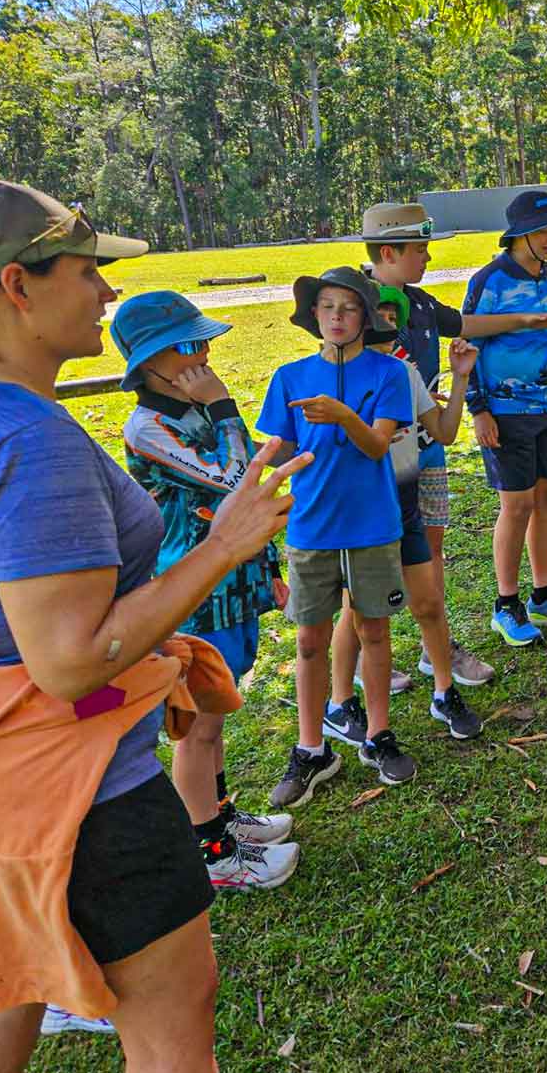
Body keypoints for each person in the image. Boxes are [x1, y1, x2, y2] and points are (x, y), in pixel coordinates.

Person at [0, 179, 306, 1071]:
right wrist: (221, 547)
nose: (107, 294)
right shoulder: (27, 438)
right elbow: (72, 658)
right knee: (172, 1020)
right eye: (87, 271)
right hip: (77, 794)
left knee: (4, 991)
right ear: (18, 289)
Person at [115, 291, 299, 892]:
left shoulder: (189, 410)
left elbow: (247, 501)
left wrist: (268, 567)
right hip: (193, 589)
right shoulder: (150, 427)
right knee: (198, 725)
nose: (203, 357)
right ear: (149, 364)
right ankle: (213, 851)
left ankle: (221, 817)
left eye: (204, 344)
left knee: (218, 711)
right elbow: (235, 482)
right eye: (186, 347)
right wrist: (223, 406)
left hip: (232, 581)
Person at [357, 200, 547, 689]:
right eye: (421, 250)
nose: (428, 259)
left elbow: (467, 326)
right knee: (375, 554)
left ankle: (438, 647)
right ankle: (371, 657)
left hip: (428, 444)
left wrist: (525, 322)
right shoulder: (355, 306)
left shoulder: (422, 303)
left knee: (430, 549)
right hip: (380, 453)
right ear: (389, 251)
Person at [257, 266, 417, 806]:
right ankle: (311, 749)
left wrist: (343, 414)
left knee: (373, 631)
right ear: (314, 315)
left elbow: (377, 447)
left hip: (372, 525)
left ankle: (377, 735)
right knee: (308, 640)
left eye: (348, 308)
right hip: (310, 526)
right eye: (327, 307)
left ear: (366, 317)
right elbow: (276, 453)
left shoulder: (389, 373)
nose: (337, 317)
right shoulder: (290, 377)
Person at [324, 289, 484, 746]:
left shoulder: (403, 372)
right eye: (376, 318)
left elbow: (446, 433)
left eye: (392, 320)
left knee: (429, 603)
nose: (385, 329)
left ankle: (444, 691)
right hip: (361, 514)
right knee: (357, 613)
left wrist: (459, 379)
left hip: (405, 506)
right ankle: (339, 704)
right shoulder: (333, 380)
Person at [462, 190, 547, 646]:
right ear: (518, 234)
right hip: (504, 412)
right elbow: (468, 348)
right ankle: (506, 605)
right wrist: (479, 409)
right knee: (516, 506)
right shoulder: (490, 281)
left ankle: (545, 595)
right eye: (543, 230)